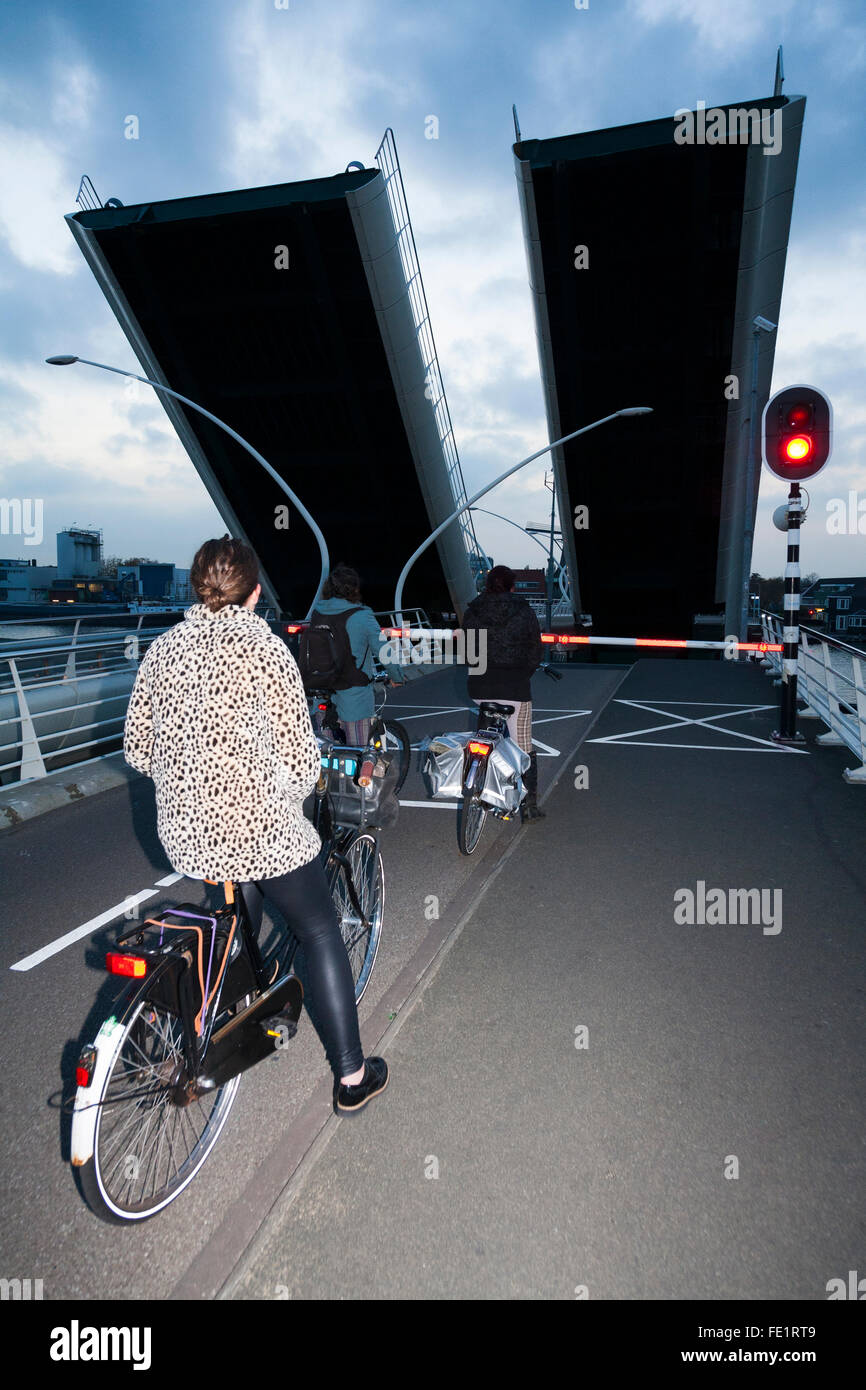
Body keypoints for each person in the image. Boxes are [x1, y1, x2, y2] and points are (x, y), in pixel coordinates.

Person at [123, 536, 388, 1116]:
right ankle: (351, 1075)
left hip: (188, 833)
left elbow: (139, 754)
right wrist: (284, 795)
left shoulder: (162, 650)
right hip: (260, 830)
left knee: (230, 897)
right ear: (255, 592)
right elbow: (296, 769)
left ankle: (224, 1004)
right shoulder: (265, 651)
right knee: (318, 929)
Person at [460, 564, 546, 823]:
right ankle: (529, 806)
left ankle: (480, 782)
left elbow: (468, 652)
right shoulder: (524, 611)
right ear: (512, 586)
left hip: (480, 687)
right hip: (514, 688)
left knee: (484, 733)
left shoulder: (473, 611)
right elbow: (535, 651)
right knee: (524, 747)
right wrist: (522, 674)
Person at [306, 563, 405, 744]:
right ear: (354, 589)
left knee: (326, 753)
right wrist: (396, 676)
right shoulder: (362, 616)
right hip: (353, 697)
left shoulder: (317, 613)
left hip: (322, 693)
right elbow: (384, 652)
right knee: (358, 753)